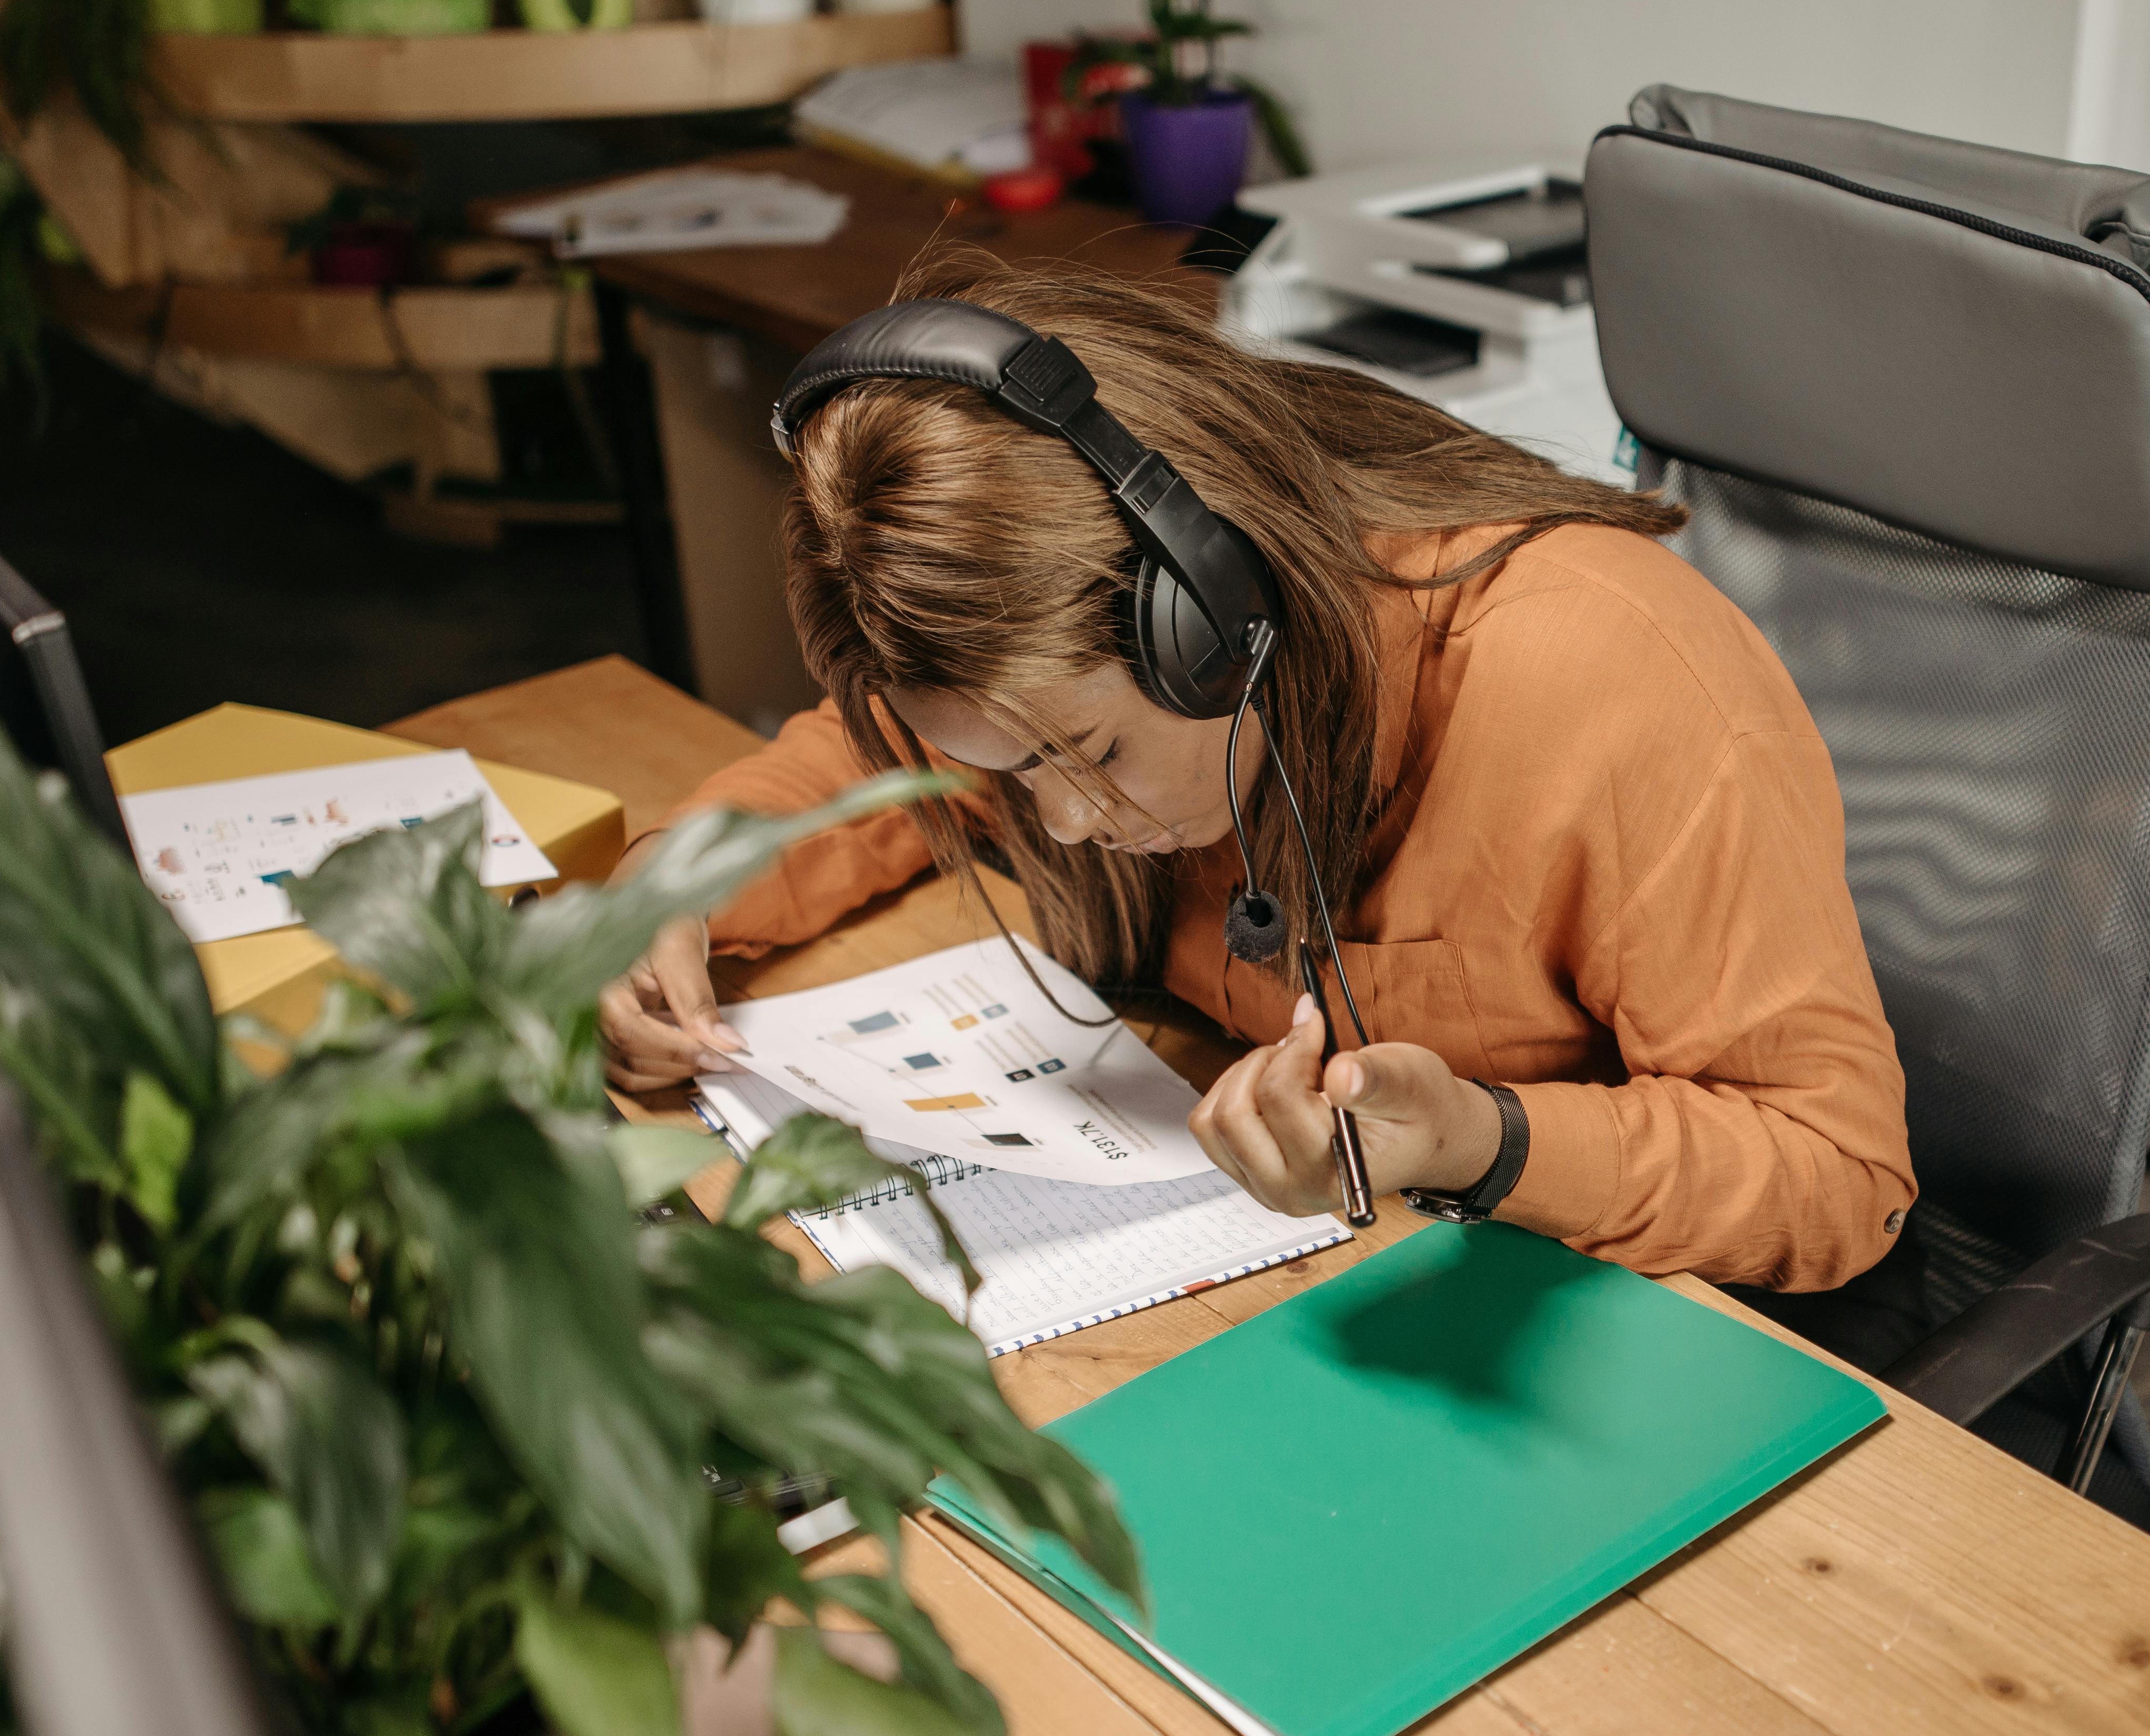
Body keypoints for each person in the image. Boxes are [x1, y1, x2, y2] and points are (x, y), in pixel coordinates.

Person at [601, 249, 1922, 1352]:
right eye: (1014, 774)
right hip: (1262, 1287)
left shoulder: (1612, 678)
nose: (1059, 822)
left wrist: (1475, 1136)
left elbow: (1834, 1176)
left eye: (1096, 755)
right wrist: (673, 888)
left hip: (1568, 1329)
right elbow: (856, 762)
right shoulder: (1049, 682)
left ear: (1214, 615)